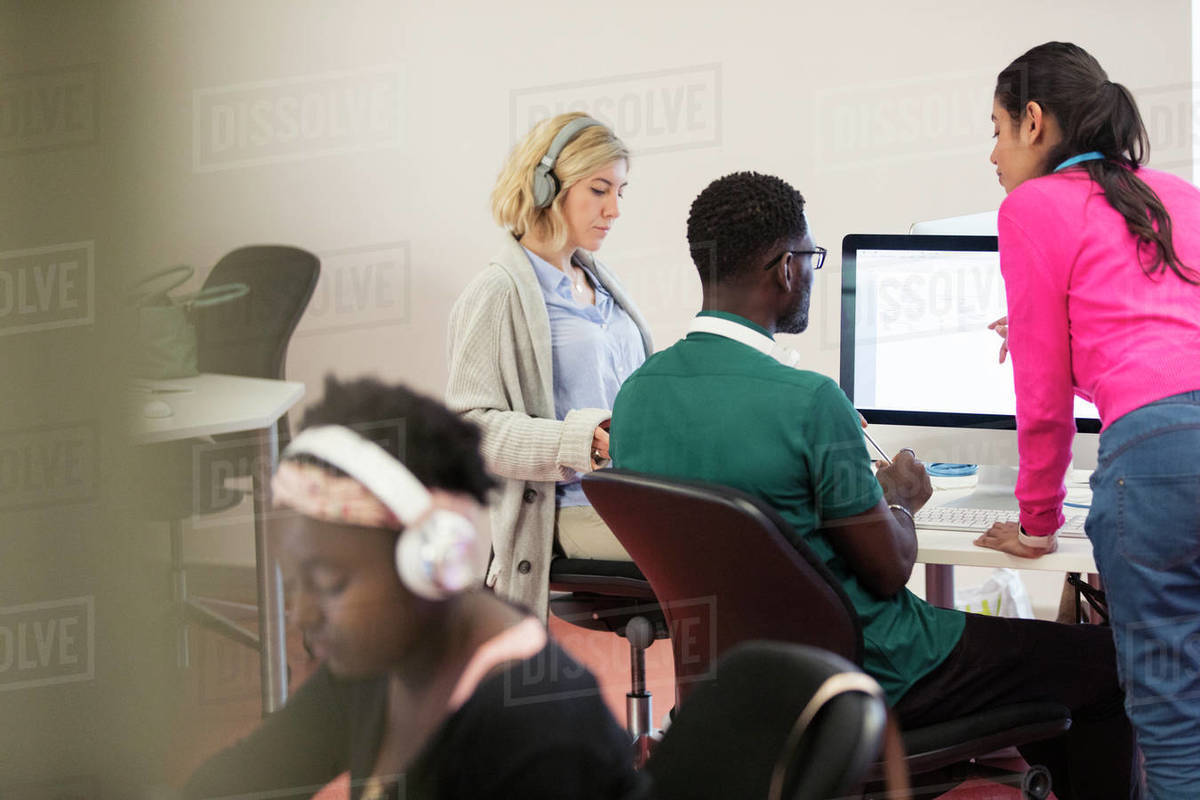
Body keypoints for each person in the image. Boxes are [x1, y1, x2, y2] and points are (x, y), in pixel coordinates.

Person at [610, 171, 1137, 799]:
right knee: (1109, 662)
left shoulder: (638, 395)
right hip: (879, 669)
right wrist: (900, 497)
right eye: (811, 260)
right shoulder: (810, 401)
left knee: (1045, 670)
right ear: (785, 268)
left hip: (732, 683)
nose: (811, 275)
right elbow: (890, 569)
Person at [182, 376, 644, 800]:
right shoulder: (376, 661)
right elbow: (244, 779)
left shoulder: (539, 733)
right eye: (294, 583)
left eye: (329, 583)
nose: (300, 615)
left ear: (434, 559)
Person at [973, 41, 1200, 798]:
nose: (994, 153)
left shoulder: (1032, 206)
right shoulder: (1177, 193)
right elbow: (1165, 338)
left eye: (999, 128)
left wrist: (1038, 522)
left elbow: (1041, 397)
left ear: (1034, 122)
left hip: (1158, 467)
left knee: (1170, 718)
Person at [446, 112, 652, 619]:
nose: (615, 209)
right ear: (545, 187)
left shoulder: (600, 282)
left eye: (621, 192)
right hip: (574, 509)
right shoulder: (498, 294)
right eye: (600, 190)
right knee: (732, 545)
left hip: (635, 491)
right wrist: (582, 441)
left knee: (760, 516)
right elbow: (472, 431)